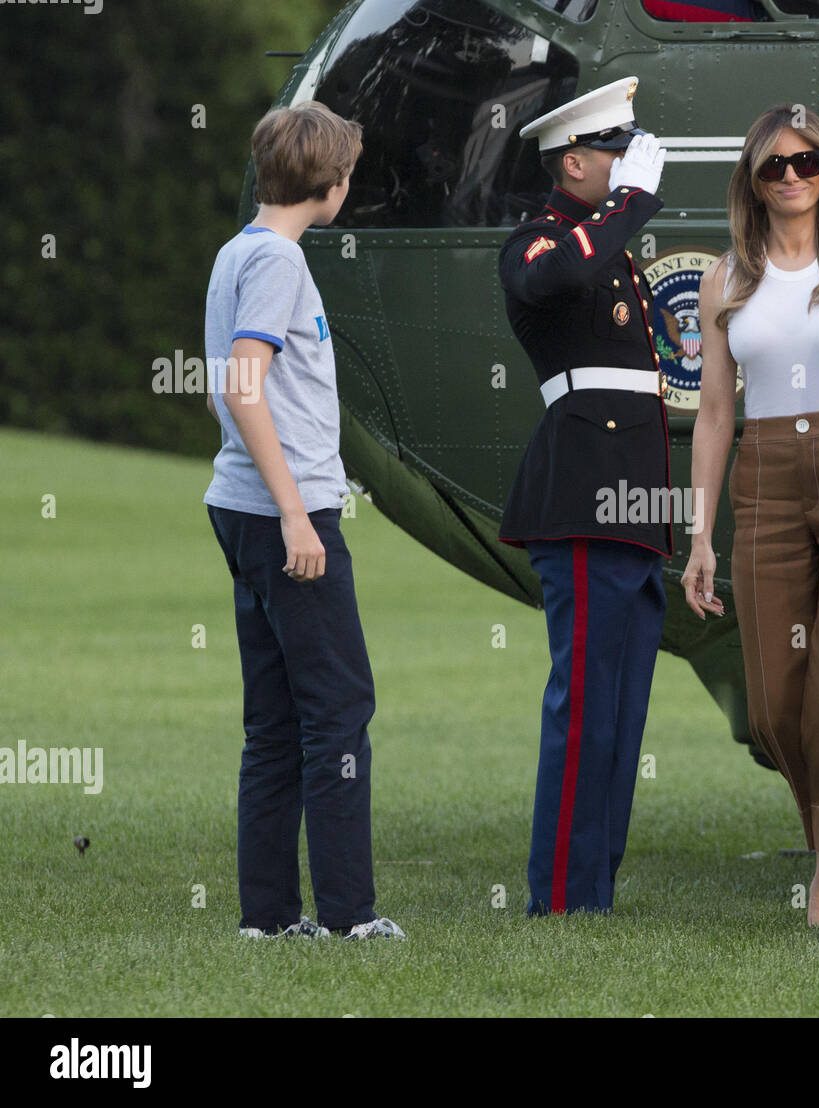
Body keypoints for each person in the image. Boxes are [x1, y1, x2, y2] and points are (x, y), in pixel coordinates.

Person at [203, 101, 403, 941]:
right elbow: (242, 385)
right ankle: (351, 919)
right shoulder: (278, 262)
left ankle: (270, 919)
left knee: (277, 720)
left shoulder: (237, 251)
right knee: (338, 710)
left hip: (239, 508)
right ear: (333, 184)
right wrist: (296, 516)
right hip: (287, 515)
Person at [683, 105, 819, 927]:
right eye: (776, 166)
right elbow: (715, 412)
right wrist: (698, 533)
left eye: (809, 163)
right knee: (771, 704)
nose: (793, 177)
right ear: (753, 182)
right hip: (760, 480)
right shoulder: (725, 279)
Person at [498, 78, 670, 916]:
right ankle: (562, 897)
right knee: (585, 705)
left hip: (634, 506)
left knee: (623, 711)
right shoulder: (541, 240)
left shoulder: (611, 247)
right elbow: (550, 281)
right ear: (575, 161)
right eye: (615, 150)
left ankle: (594, 887)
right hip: (581, 496)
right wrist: (632, 201)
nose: (628, 161)